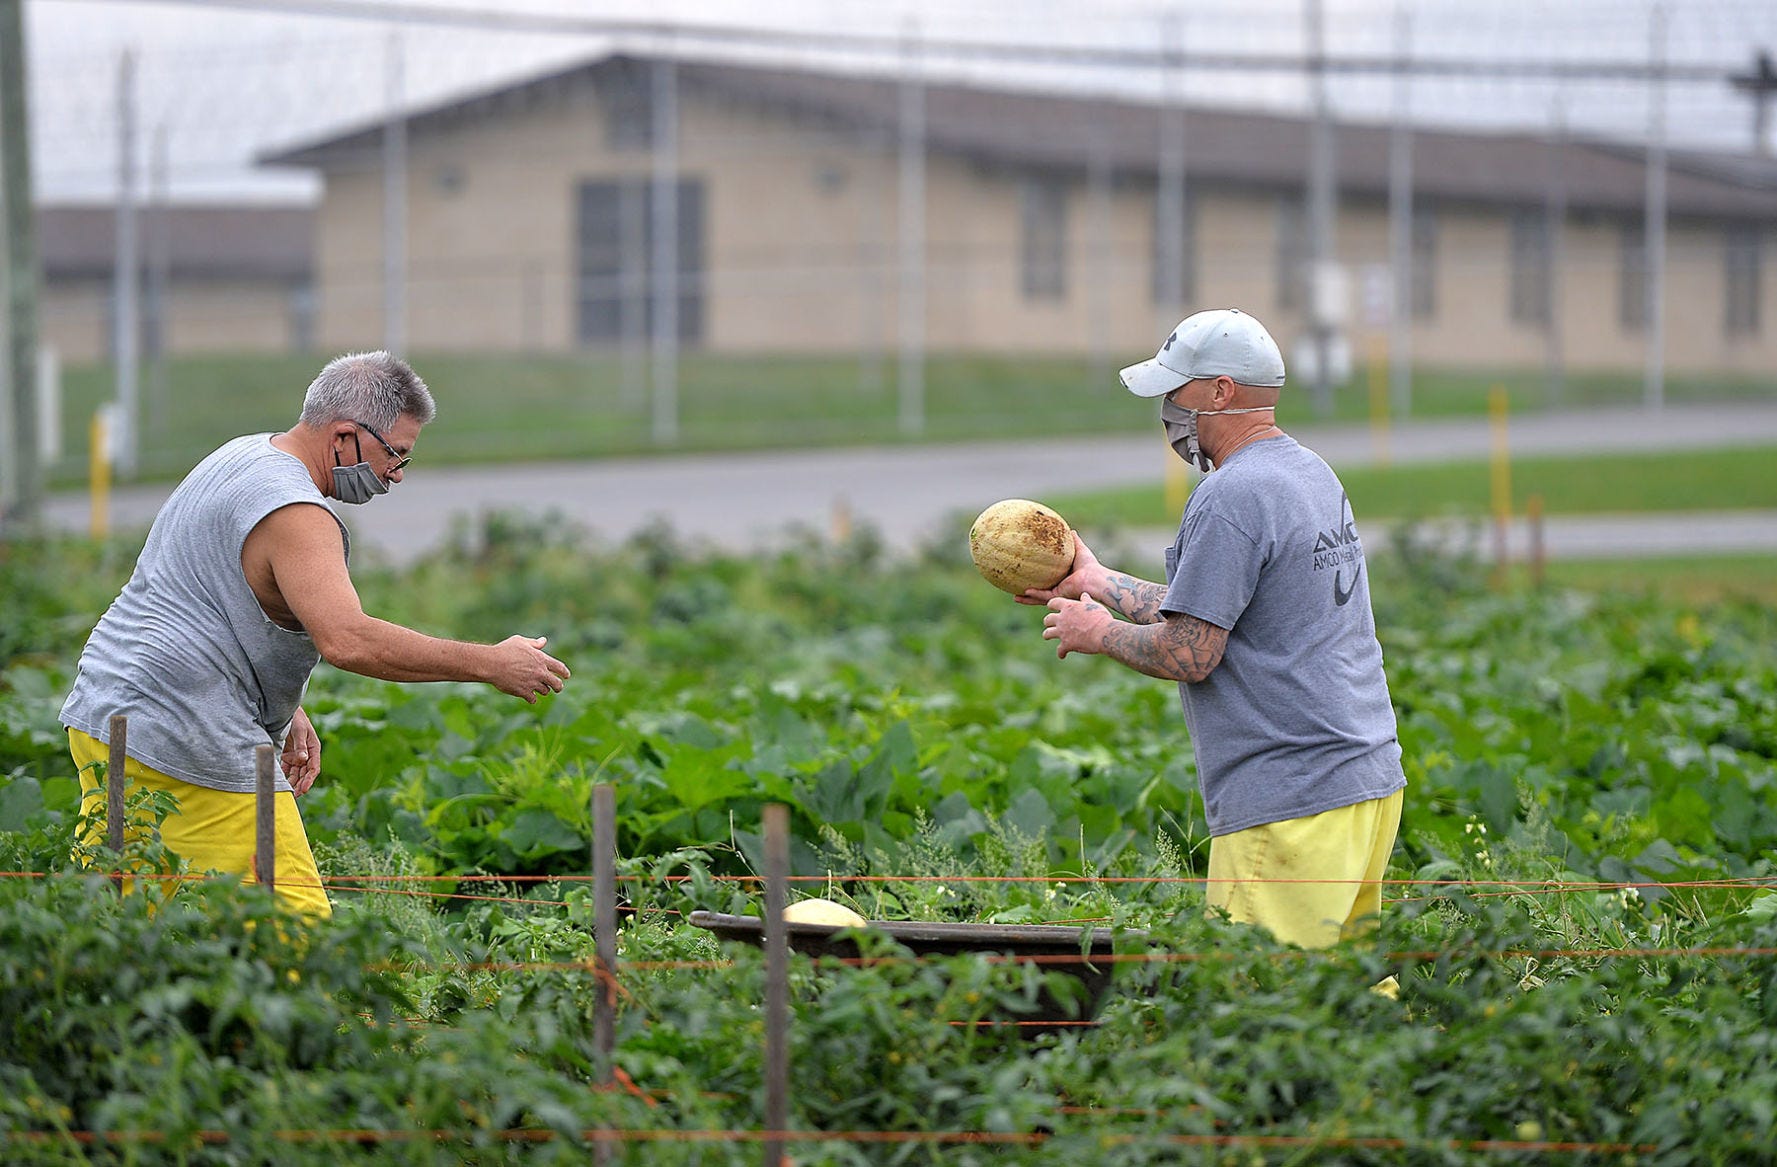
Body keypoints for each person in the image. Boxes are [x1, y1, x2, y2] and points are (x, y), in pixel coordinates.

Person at [59, 351, 571, 919]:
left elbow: (211, 594)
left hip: (110, 711)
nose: (397, 474)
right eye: (395, 454)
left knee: (123, 918)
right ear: (345, 437)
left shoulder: (244, 455)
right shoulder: (297, 511)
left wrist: (279, 703)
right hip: (181, 725)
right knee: (294, 931)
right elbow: (348, 638)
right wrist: (489, 663)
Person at [1025, 308, 1405, 950]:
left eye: (1175, 392)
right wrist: (1098, 582)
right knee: (1348, 999)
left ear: (1220, 391)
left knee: (1259, 999)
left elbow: (1189, 651)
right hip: (1364, 783)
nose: (1168, 409)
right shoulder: (1307, 472)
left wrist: (1097, 633)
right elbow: (1212, 610)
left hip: (1292, 801)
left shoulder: (1231, 494)